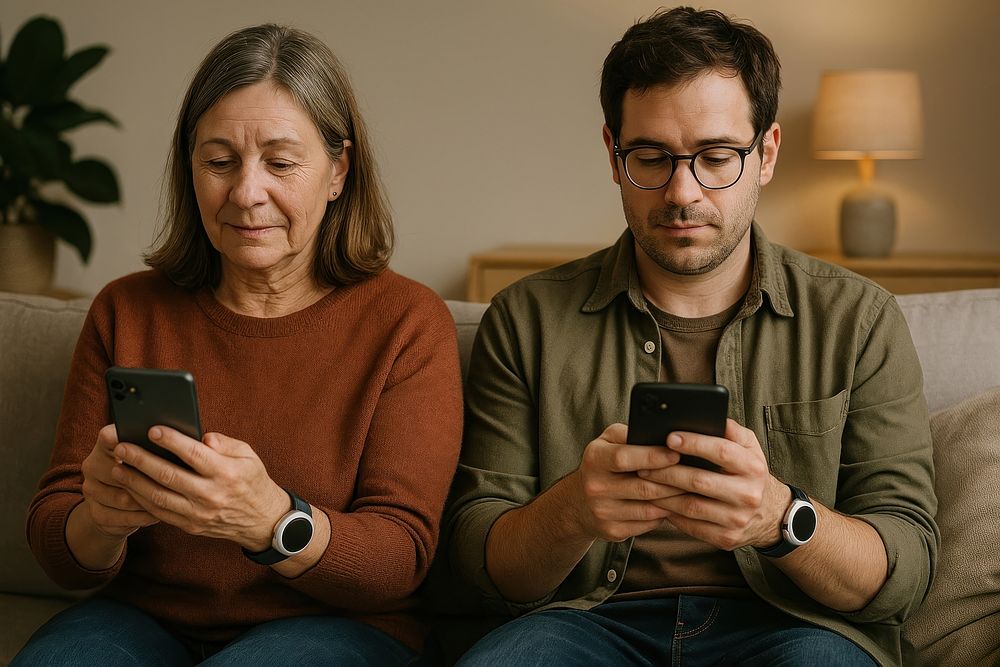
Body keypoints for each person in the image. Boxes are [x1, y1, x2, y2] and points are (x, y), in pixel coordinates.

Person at [439, 7, 937, 666]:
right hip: (585, 624)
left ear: (767, 154)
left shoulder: (859, 319)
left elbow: (904, 563)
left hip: (791, 626)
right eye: (652, 157)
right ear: (613, 155)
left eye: (716, 157)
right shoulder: (525, 318)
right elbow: (479, 558)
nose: (682, 191)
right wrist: (574, 511)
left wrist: (780, 516)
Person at [15, 24, 463, 666]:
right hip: (141, 618)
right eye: (219, 161)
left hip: (336, 627)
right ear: (189, 169)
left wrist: (270, 521)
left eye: (281, 163)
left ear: (338, 170)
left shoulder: (407, 321)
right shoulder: (127, 309)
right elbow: (58, 545)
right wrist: (100, 518)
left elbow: (400, 559)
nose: (247, 193)